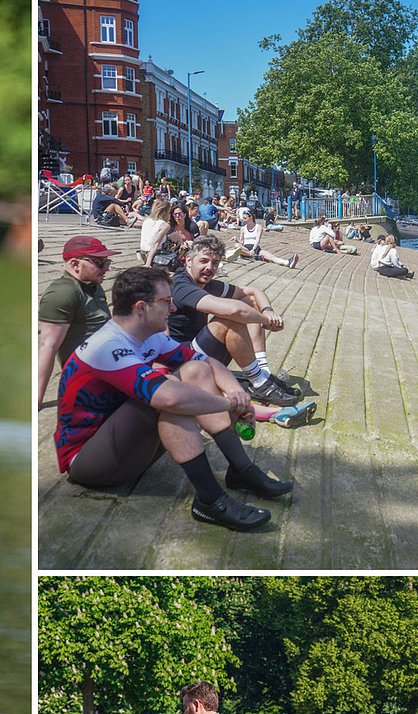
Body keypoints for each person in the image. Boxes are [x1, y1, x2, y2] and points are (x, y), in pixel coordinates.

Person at [54, 266, 297, 532]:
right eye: (166, 302)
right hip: (89, 462)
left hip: (127, 447)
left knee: (195, 370)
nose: (173, 309)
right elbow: (169, 399)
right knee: (169, 395)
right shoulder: (107, 346)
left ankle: (242, 470)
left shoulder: (149, 336)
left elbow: (205, 361)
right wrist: (230, 405)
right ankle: (210, 499)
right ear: (141, 307)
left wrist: (238, 394)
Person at [169, 236, 302, 406]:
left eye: (215, 263)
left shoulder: (207, 283)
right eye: (203, 261)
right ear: (188, 261)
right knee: (229, 320)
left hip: (198, 354)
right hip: (181, 365)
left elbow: (253, 292)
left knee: (250, 304)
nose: (209, 268)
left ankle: (263, 373)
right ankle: (260, 382)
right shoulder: (181, 285)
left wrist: (268, 311)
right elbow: (234, 311)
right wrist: (265, 321)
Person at [36, 235, 113, 406]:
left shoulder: (93, 285)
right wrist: (37, 400)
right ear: (75, 264)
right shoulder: (63, 293)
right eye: (99, 263)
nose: (106, 268)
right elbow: (48, 347)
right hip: (90, 379)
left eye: (107, 262)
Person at [138, 198, 174, 268]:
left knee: (173, 236)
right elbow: (155, 244)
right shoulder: (165, 225)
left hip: (142, 251)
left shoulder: (146, 221)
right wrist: (148, 263)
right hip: (153, 254)